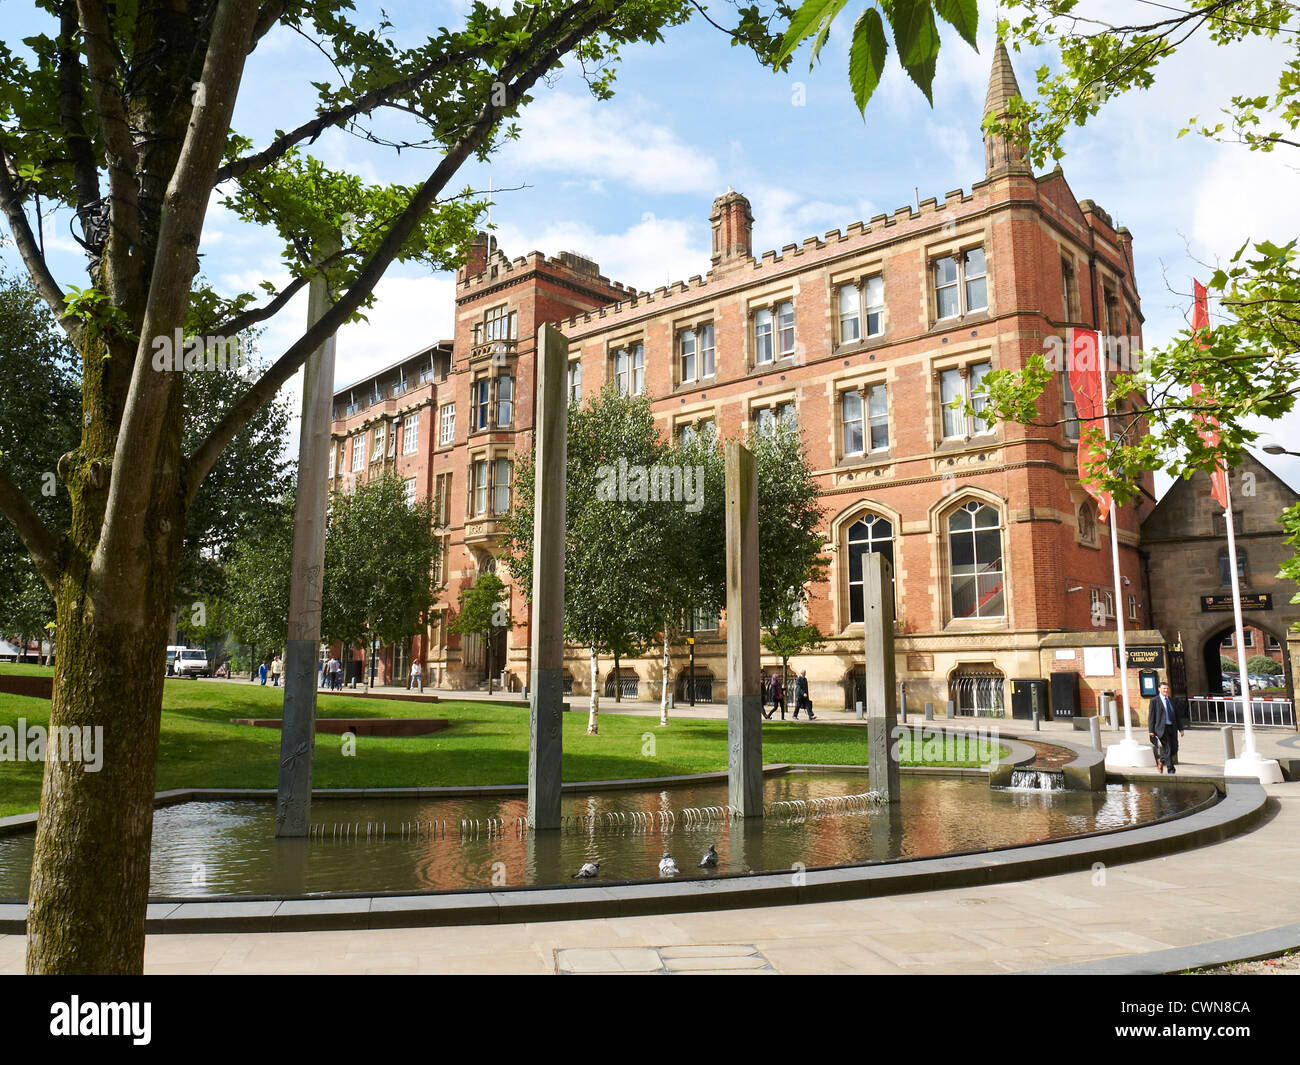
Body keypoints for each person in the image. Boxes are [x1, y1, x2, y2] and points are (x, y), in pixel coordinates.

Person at [1147, 681, 1186, 774]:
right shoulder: (1154, 701)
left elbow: (1177, 715)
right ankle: (1171, 770)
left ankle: (1161, 760)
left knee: (1174, 748)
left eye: (1167, 688)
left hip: (1172, 727)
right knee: (1167, 748)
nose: (1166, 690)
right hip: (1161, 728)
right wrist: (1151, 730)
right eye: (1164, 688)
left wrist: (1181, 728)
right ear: (1159, 689)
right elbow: (1151, 717)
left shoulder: (1171, 700)